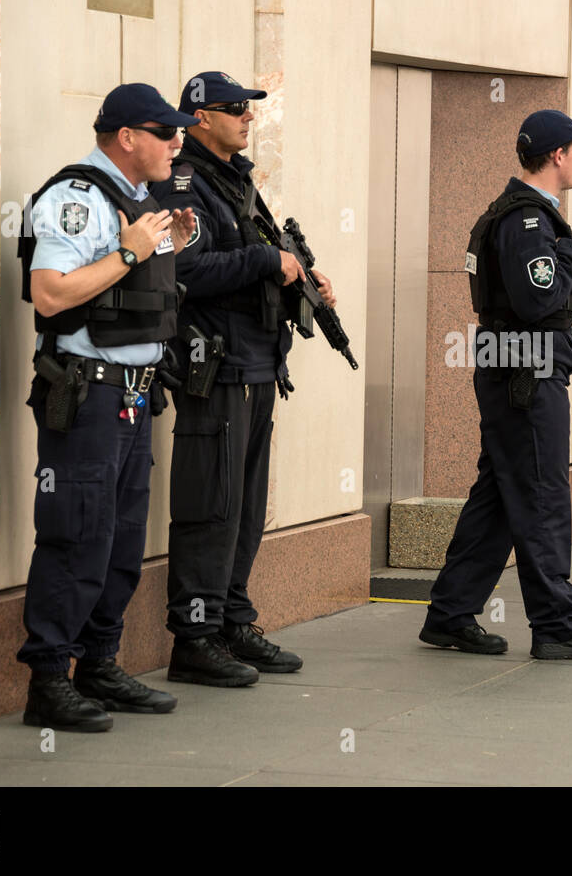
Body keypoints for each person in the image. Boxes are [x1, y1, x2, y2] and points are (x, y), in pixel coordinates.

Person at [17, 83, 199, 731]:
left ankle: (98, 661)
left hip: (131, 395)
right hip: (88, 394)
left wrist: (164, 244)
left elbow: (139, 287)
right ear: (128, 137)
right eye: (166, 132)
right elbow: (50, 294)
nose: (177, 143)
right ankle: (48, 679)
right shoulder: (75, 197)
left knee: (121, 538)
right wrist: (130, 253)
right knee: (77, 532)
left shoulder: (138, 200)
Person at [148, 71, 337, 687]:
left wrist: (302, 272)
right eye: (234, 109)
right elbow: (190, 267)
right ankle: (195, 639)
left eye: (248, 108)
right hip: (218, 369)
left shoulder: (235, 178)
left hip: (257, 365)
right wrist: (266, 261)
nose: (247, 117)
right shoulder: (184, 182)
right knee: (212, 507)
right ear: (200, 117)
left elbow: (261, 249)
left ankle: (231, 621)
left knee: (247, 508)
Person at [420, 109, 572, 661]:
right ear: (557, 155)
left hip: (514, 368)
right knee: (541, 495)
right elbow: (538, 299)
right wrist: (568, 254)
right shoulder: (529, 222)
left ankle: (449, 613)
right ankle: (557, 624)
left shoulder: (516, 214)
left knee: (503, 495)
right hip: (527, 372)